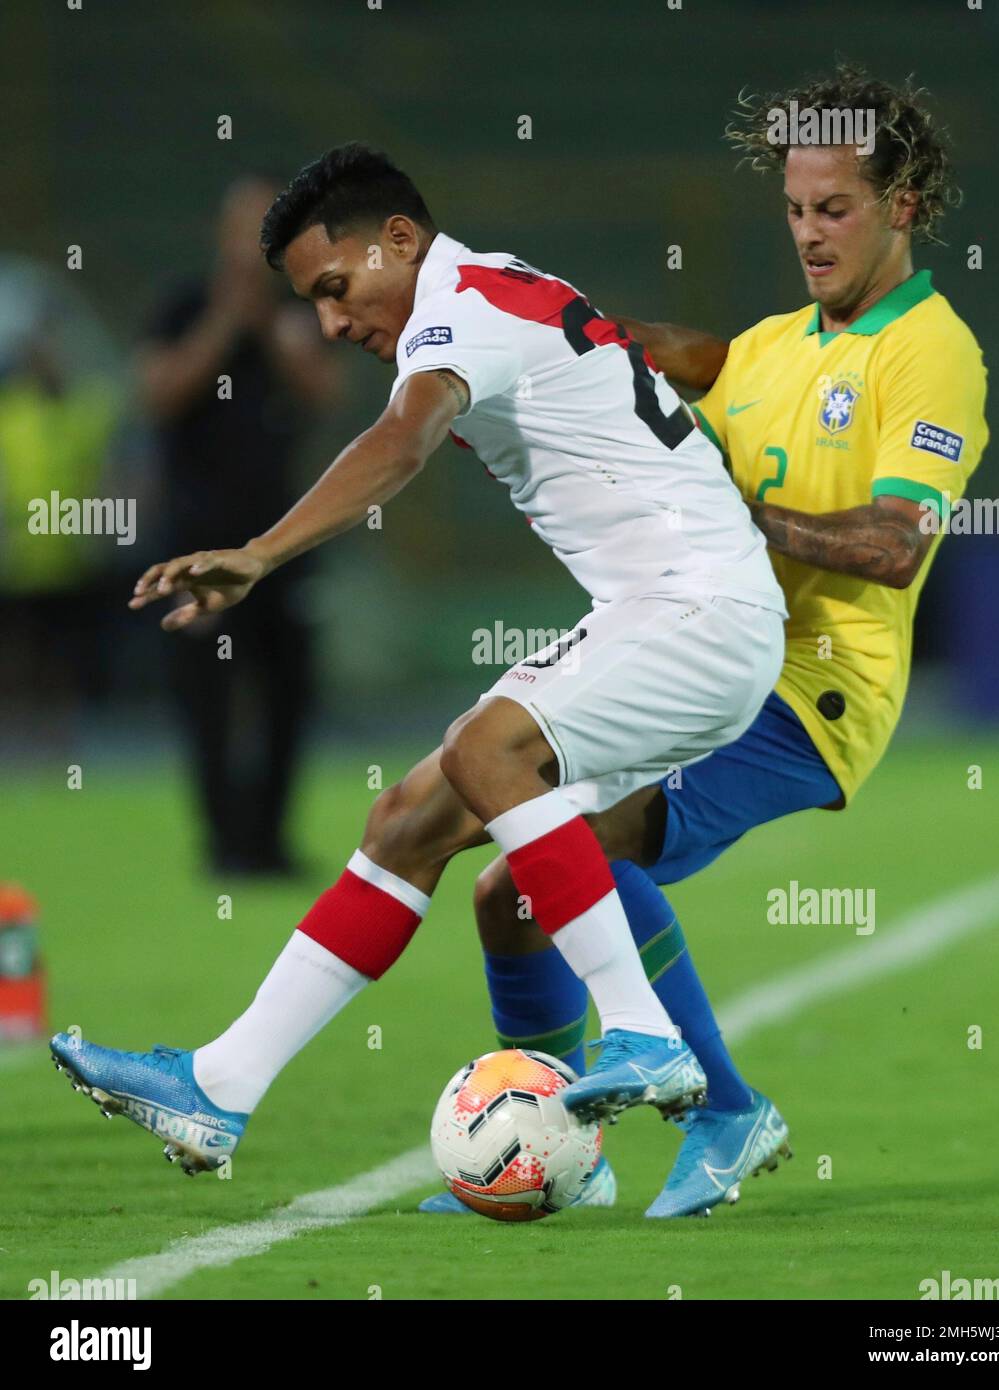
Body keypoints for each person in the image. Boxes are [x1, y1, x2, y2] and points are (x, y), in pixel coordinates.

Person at [49, 142, 788, 1186]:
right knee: (408, 821)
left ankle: (643, 1034)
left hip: (695, 611)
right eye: (312, 303)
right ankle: (220, 1082)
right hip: (678, 615)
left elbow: (400, 442)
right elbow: (670, 351)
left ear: (400, 242)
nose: (333, 323)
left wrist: (259, 554)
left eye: (337, 288)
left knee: (488, 749)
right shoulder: (508, 287)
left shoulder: (457, 309)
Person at [419, 63, 989, 1218]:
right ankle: (559, 1143)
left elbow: (892, 544)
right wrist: (540, 341)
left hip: (812, 694)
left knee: (588, 850)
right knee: (511, 893)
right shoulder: (778, 344)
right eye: (795, 208)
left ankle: (727, 1111)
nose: (810, 234)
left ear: (903, 207)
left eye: (835, 208)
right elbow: (680, 358)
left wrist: (743, 515)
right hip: (708, 660)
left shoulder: (931, 351)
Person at [137, 177, 343, 875]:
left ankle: (270, 841)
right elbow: (158, 394)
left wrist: (271, 329)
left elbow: (326, 394)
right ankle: (224, 845)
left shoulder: (304, 307)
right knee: (208, 700)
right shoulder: (184, 305)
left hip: (286, 541)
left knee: (289, 693)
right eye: (242, 225)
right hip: (195, 543)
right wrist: (227, 320)